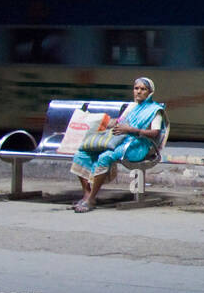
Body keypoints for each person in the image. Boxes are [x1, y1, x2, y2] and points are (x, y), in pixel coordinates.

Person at [71, 77, 166, 213]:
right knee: (82, 153)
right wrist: (111, 123)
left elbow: (155, 133)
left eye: (143, 89)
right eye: (136, 88)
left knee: (105, 157)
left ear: (150, 92)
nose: (138, 92)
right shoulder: (132, 106)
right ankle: (87, 194)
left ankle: (91, 199)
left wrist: (132, 130)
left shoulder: (154, 110)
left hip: (137, 145)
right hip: (122, 140)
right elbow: (121, 122)